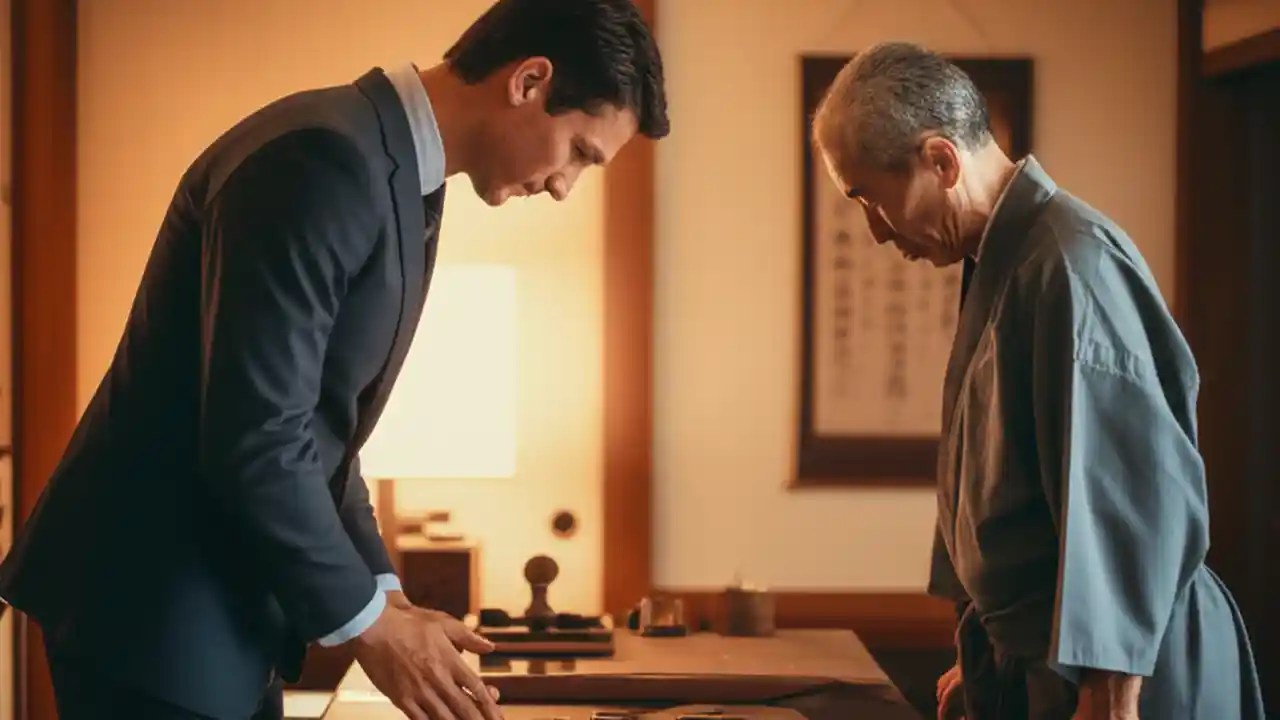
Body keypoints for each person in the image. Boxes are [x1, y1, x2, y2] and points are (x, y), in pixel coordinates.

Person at [0, 0, 668, 718]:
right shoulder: (320, 157)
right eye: (580, 152)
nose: (566, 185)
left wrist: (386, 598)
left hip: (217, 615)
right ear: (529, 81)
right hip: (153, 610)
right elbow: (257, 434)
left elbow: (324, 432)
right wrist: (369, 625)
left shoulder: (390, 170)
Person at [811, 42, 1264, 720]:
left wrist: (1110, 689)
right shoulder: (1008, 256)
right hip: (1051, 654)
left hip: (1124, 669)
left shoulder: (1069, 263)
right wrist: (982, 648)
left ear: (941, 161)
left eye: (871, 199)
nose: (875, 232)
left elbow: (1128, 491)